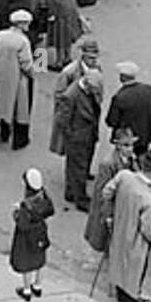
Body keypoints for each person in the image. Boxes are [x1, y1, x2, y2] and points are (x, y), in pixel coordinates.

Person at [101, 149, 151, 302]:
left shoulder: (124, 176)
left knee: (119, 259)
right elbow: (148, 229)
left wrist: (113, 211)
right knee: (135, 267)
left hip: (119, 227)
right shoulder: (148, 199)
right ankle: (131, 297)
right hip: (135, 237)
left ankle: (120, 289)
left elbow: (106, 192)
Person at [53, 66, 104, 210]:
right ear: (87, 84)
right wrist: (72, 135)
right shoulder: (71, 95)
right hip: (78, 137)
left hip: (86, 133)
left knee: (74, 165)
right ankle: (80, 199)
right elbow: (62, 119)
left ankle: (70, 191)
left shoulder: (86, 88)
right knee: (79, 167)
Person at [84, 126, 137, 254]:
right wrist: (107, 214)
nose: (130, 149)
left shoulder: (131, 159)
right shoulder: (108, 164)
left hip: (123, 204)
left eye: (131, 145)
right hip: (111, 204)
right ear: (118, 145)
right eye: (126, 145)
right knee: (105, 235)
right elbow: (102, 193)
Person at [0, 10, 36, 149]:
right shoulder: (23, 41)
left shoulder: (0, 35)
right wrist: (32, 73)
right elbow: (26, 63)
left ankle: (4, 131)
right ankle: (20, 139)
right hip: (17, 78)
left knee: (3, 102)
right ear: (21, 24)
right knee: (20, 108)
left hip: (0, 74)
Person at [10, 167, 54, 302]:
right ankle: (38, 285)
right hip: (40, 232)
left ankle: (27, 289)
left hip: (26, 237)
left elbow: (22, 223)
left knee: (27, 263)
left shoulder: (26, 206)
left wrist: (16, 212)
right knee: (39, 260)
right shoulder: (43, 197)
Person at [105, 62, 151, 152]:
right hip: (147, 137)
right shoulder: (148, 89)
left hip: (126, 141)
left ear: (122, 78)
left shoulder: (119, 97)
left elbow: (112, 121)